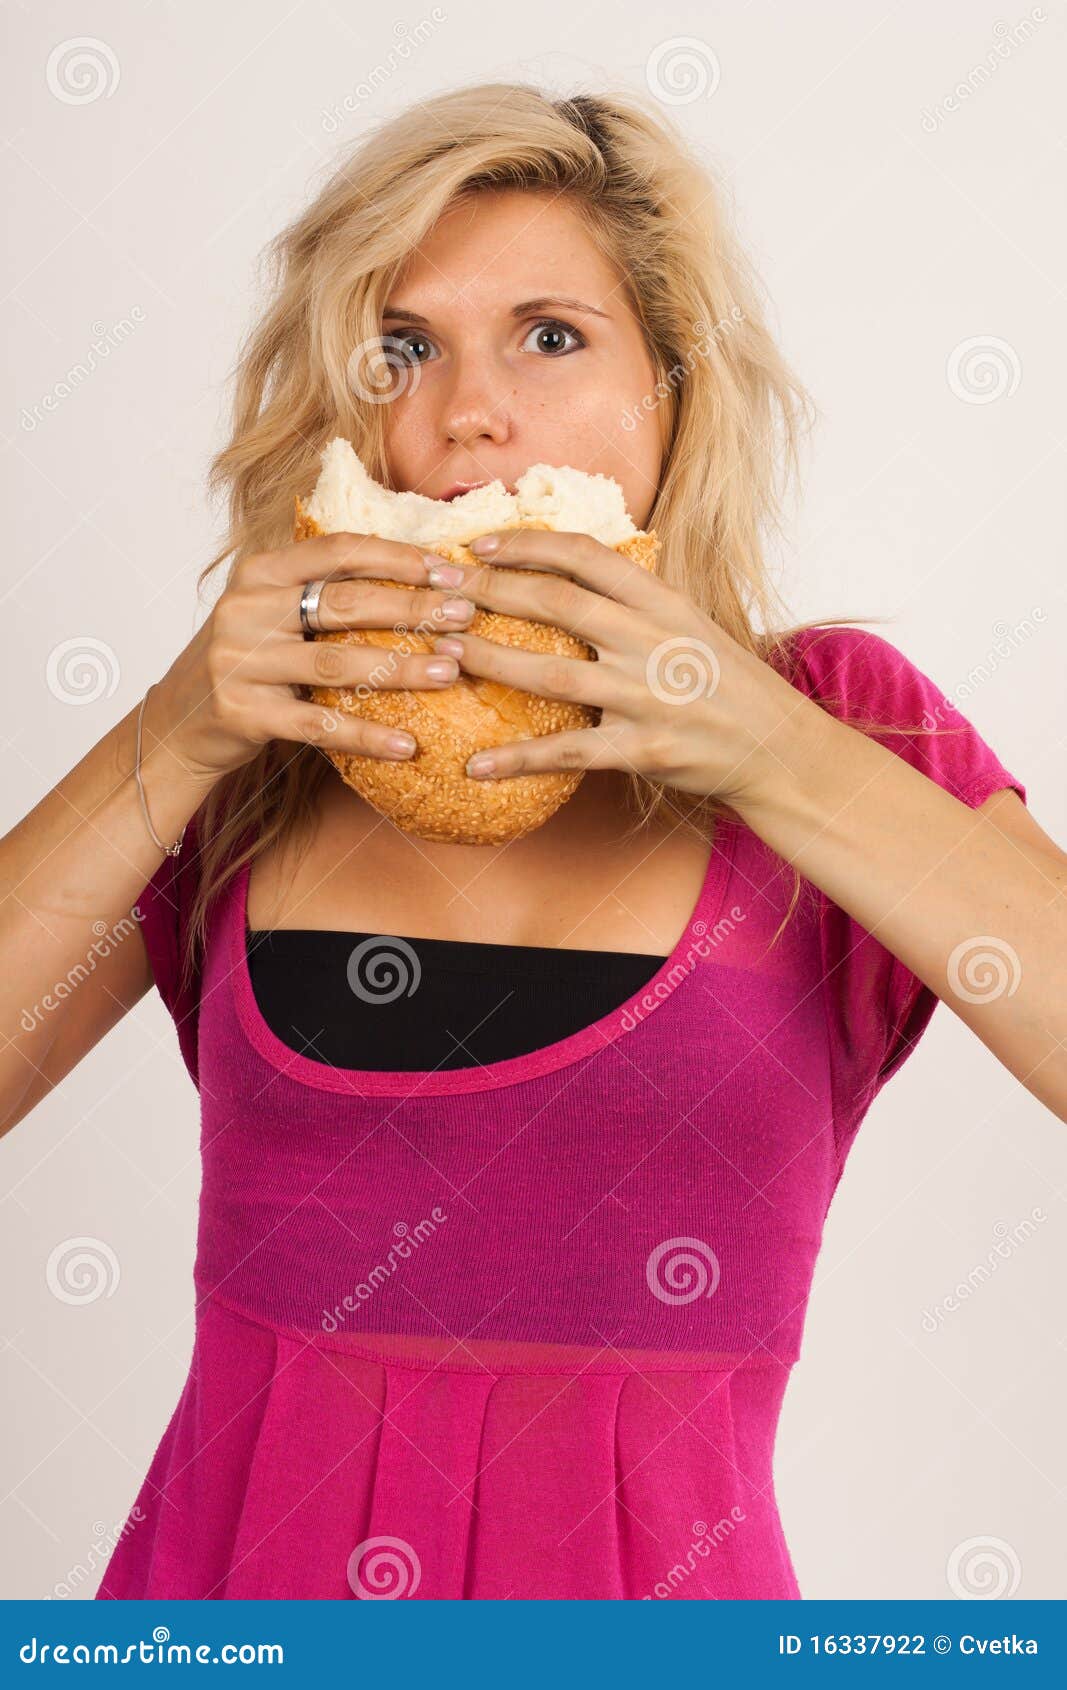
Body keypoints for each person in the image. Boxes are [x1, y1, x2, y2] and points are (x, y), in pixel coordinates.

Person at [3, 83, 1063, 1603]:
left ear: (675, 393)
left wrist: (761, 744)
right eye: (401, 346)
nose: (465, 414)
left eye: (551, 336)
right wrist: (167, 741)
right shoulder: (254, 747)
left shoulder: (832, 717)